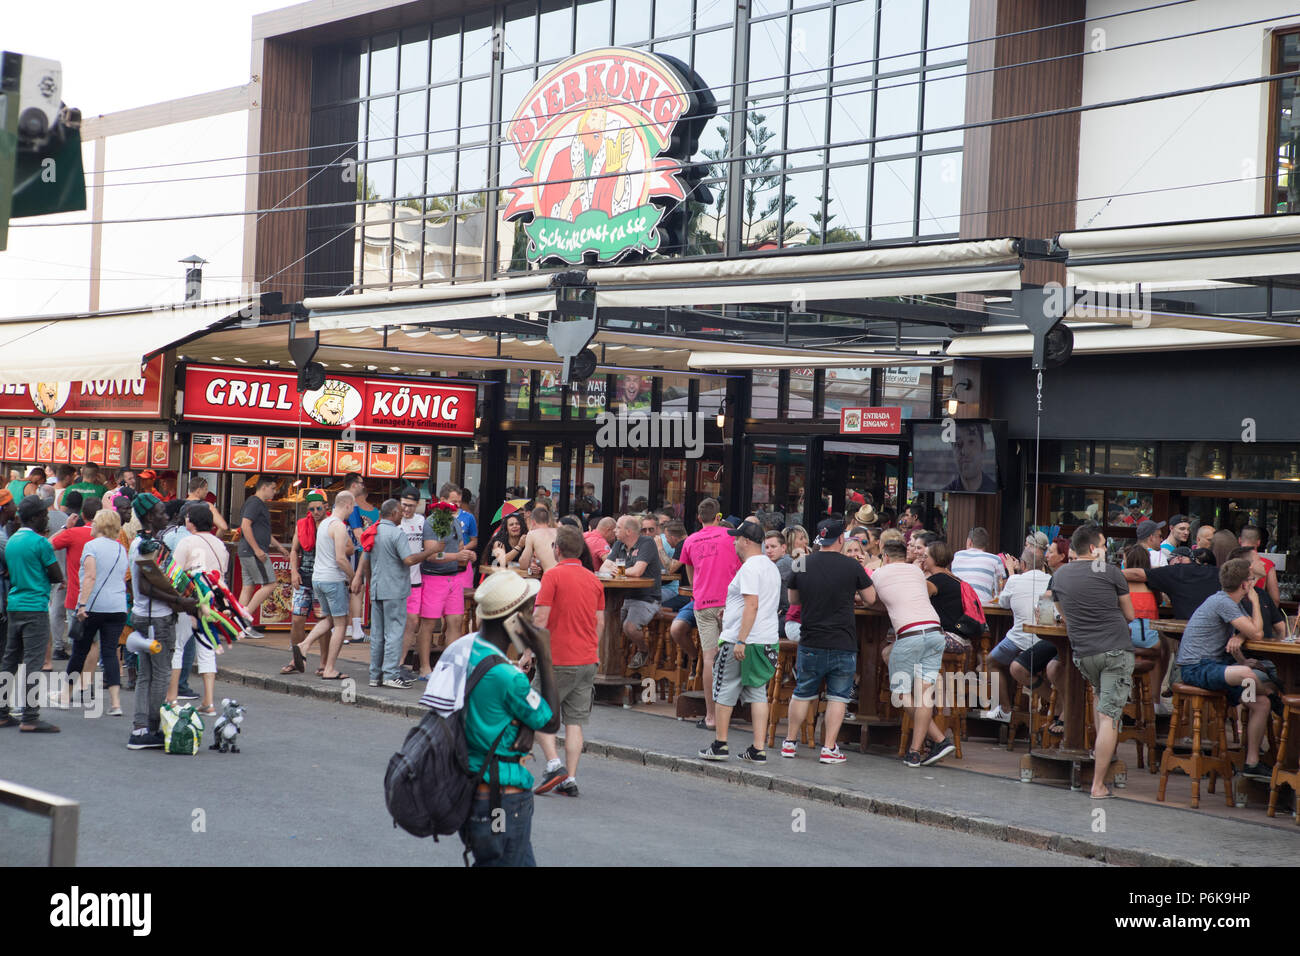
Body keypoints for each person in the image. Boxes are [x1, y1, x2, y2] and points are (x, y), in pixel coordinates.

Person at [438, 571, 560, 866]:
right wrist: (543, 655)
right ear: (513, 621)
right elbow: (551, 721)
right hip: (502, 802)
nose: (532, 618)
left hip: (473, 791)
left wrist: (523, 724)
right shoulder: (507, 677)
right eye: (528, 611)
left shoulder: (465, 652)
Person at [1048, 526, 1135, 799]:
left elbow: (1061, 612)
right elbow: (1130, 615)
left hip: (1084, 653)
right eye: (1104, 545)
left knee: (1100, 702)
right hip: (1115, 649)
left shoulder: (1059, 575)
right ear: (1094, 547)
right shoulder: (1110, 572)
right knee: (1109, 715)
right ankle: (1098, 784)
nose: (1106, 550)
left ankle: (1101, 756)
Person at [1176, 557, 1279, 777]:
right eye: (1251, 581)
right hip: (1196, 667)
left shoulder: (1231, 602)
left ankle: (1252, 763)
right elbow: (1258, 633)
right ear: (1245, 584)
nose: (1253, 584)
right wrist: (1255, 601)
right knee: (1249, 674)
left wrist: (1241, 636)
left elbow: (1249, 630)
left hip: (1216, 665)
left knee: (1259, 703)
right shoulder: (1223, 602)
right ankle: (1275, 696)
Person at [783, 519, 874, 765]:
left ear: (819, 540)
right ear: (841, 540)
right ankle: (829, 748)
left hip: (811, 637)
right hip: (842, 639)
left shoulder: (802, 562)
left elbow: (793, 599)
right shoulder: (851, 565)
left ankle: (790, 743)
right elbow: (870, 598)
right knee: (838, 697)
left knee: (802, 692)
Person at [698, 521, 782, 763]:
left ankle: (720, 744)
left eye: (737, 539)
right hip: (766, 639)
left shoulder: (749, 568)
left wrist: (741, 640)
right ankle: (758, 748)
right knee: (757, 693)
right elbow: (755, 604)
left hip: (742, 639)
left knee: (724, 690)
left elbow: (752, 605)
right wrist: (731, 612)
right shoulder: (770, 567)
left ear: (746, 541)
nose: (734, 543)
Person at [532, 525, 604, 796]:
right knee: (574, 722)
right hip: (587, 658)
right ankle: (569, 779)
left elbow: (540, 618)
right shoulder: (594, 579)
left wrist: (529, 652)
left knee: (535, 711)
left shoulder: (552, 576)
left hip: (557, 658)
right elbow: (600, 623)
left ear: (557, 549)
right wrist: (592, 651)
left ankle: (554, 765)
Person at [871, 537, 955, 768]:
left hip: (910, 635)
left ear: (885, 557)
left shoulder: (878, 574)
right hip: (936, 632)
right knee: (923, 695)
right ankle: (915, 752)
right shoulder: (917, 573)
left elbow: (871, 600)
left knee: (900, 694)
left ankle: (938, 739)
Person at [126, 494, 198, 750]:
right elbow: (145, 587)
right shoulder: (146, 545)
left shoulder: (144, 542)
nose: (165, 515)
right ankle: (152, 728)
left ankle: (140, 727)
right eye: (159, 512)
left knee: (147, 674)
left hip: (146, 615)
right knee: (160, 675)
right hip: (155, 617)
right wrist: (181, 602)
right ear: (148, 517)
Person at [0, 496, 65, 733]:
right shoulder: (41, 543)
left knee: (10, 659)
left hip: (14, 603)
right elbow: (56, 575)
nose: (47, 518)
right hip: (35, 606)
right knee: (33, 662)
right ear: (36, 517)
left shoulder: (12, 540)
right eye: (45, 515)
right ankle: (30, 716)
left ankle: (2, 712)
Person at [352, 499, 422, 688]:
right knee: (394, 633)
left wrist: (360, 578)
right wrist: (430, 551)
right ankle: (390, 674)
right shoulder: (396, 533)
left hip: (377, 588)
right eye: (400, 511)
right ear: (392, 514)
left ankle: (376, 674)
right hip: (394, 589)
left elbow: (365, 557)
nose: (402, 513)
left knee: (377, 634)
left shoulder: (372, 531)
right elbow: (408, 560)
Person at [166, 503, 229, 714]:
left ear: (191, 522)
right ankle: (208, 702)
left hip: (190, 602)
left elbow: (174, 573)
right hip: (212, 602)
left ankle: (172, 697)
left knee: (179, 646)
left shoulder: (187, 542)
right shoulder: (220, 544)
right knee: (207, 647)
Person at [67, 508, 128, 716]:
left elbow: (90, 577)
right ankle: (116, 703)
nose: (91, 525)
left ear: (100, 525)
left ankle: (66, 694)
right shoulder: (121, 549)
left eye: (94, 523)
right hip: (118, 606)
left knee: (80, 651)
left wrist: (82, 604)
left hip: (94, 606)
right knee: (110, 652)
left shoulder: (91, 546)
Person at [987, 546, 1058, 724]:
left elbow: (1003, 603)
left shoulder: (1015, 580)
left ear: (1023, 564)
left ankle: (1005, 708)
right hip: (1047, 640)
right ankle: (1052, 703)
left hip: (1019, 639)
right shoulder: (1052, 579)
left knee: (991, 662)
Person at [415, 489, 475, 675]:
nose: (456, 505)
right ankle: (425, 667)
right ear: (442, 500)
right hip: (433, 577)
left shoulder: (456, 522)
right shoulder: (431, 522)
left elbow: (460, 548)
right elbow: (431, 555)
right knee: (429, 623)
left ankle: (449, 667)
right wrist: (457, 555)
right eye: (453, 501)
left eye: (458, 502)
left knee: (456, 621)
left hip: (454, 576)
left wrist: (467, 554)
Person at [598, 515, 663, 669]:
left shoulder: (647, 543)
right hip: (624, 597)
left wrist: (618, 571)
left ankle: (643, 650)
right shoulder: (618, 544)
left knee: (629, 627)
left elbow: (638, 571)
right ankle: (608, 664)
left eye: (618, 528)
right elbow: (603, 567)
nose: (614, 530)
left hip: (647, 597)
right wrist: (613, 569)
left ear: (628, 531)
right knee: (607, 623)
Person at [282, 491, 332, 676]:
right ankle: (297, 659)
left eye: (319, 508)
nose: (315, 512)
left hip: (324, 579)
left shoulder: (333, 525)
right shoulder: (303, 524)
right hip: (304, 577)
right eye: (311, 509)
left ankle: (324, 662)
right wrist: (294, 572)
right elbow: (294, 550)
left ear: (326, 506)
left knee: (323, 622)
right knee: (297, 620)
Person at [236, 476, 289, 638]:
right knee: (270, 584)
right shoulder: (255, 503)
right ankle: (245, 619)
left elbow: (264, 531)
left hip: (247, 551)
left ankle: (238, 622)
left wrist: (279, 547)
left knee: (248, 587)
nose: (275, 491)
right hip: (253, 551)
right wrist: (257, 549)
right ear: (264, 487)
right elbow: (245, 525)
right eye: (273, 488)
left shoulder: (257, 503)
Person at [312, 491, 356, 681]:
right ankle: (329, 668)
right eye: (352, 507)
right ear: (347, 505)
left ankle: (304, 645)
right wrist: (354, 577)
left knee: (329, 619)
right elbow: (340, 558)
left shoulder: (323, 524)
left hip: (318, 578)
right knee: (340, 624)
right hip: (333, 579)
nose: (352, 511)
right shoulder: (339, 526)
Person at [394, 487, 426, 681]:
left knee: (412, 622)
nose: (407, 510)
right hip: (396, 581)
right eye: (404, 505)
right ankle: (388, 663)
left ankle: (400, 663)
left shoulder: (422, 521)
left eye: (411, 506)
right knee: (394, 623)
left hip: (415, 580)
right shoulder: (393, 521)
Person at [951, 527, 1005, 603]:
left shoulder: (957, 556)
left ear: (969, 542)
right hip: (983, 606)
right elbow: (1001, 590)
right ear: (986, 544)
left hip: (958, 604)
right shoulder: (995, 559)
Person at [1238, 525, 1281, 604]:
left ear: (1239, 540)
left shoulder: (1232, 561)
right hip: (1257, 607)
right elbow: (1275, 598)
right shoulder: (1266, 564)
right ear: (1258, 542)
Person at [519, 506, 558, 574]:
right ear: (548, 521)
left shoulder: (532, 534)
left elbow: (523, 565)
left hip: (551, 576)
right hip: (568, 574)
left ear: (533, 522)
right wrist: (538, 565)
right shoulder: (559, 531)